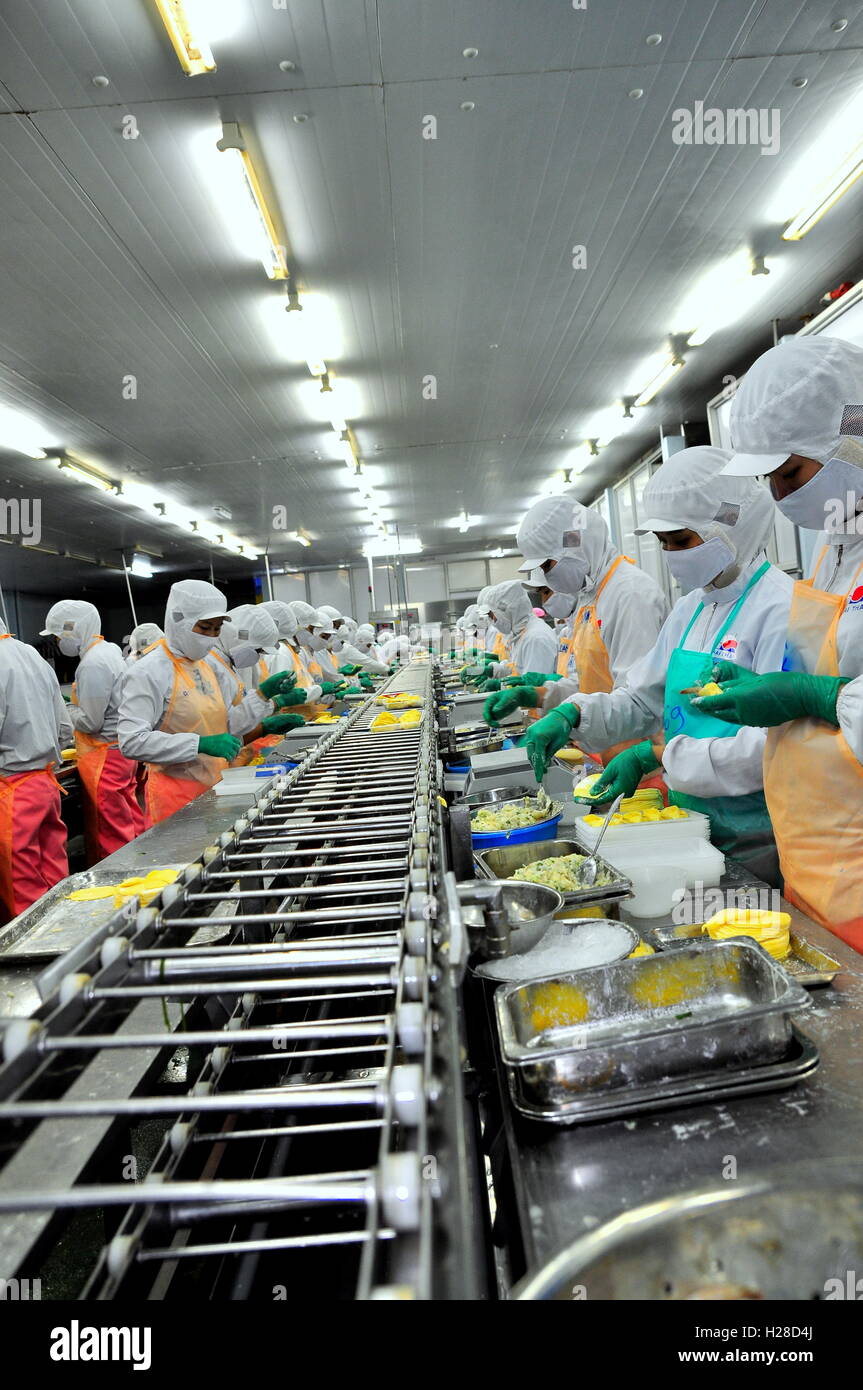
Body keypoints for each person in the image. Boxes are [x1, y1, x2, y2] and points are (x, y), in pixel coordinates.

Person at [522, 448, 794, 885]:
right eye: (663, 543)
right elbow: (641, 698)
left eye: (681, 540)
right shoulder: (690, 610)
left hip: (761, 833)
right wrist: (574, 713)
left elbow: (774, 747)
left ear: (729, 524)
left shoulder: (780, 609)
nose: (671, 554)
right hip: (692, 822)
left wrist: (661, 756)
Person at [696, 336, 863, 946]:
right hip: (816, 863)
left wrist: (815, 696)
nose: (779, 497)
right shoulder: (834, 541)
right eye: (770, 478)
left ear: (853, 433)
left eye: (790, 473)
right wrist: (773, 690)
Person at [483, 500, 669, 750]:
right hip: (601, 745)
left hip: (633, 755)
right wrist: (540, 695)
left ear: (574, 544)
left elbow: (641, 703)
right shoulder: (590, 596)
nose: (547, 578)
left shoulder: (629, 595)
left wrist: (572, 716)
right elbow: (584, 684)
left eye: (547, 565)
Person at [118, 580, 296, 823]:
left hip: (217, 785)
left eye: (217, 629)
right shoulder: (148, 671)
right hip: (176, 797)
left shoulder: (208, 666)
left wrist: (263, 697)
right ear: (177, 620)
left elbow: (228, 724)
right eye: (204, 628)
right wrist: (198, 744)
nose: (211, 637)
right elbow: (131, 741)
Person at [41, 600, 146, 863]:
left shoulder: (92, 664)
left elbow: (90, 722)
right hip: (118, 752)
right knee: (128, 820)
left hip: (105, 759)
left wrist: (66, 708)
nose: (57, 641)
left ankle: (118, 884)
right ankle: (140, 870)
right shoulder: (108, 651)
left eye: (57, 635)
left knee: (110, 830)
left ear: (72, 630)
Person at [0, 616, 72, 919]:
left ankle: (37, 962)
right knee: (56, 875)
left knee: (23, 887)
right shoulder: (31, 654)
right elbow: (65, 728)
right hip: (45, 782)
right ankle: (69, 939)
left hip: (11, 790)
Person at [207, 603, 307, 763]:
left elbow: (232, 719)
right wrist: (270, 701)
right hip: (206, 768)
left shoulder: (227, 662)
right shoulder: (212, 664)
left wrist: (267, 712)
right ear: (239, 636)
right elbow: (226, 726)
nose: (259, 657)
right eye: (258, 651)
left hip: (230, 758)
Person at [464, 580, 558, 688]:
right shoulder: (520, 634)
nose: (493, 621)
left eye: (493, 615)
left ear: (509, 610)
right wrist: (492, 670)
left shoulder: (535, 638)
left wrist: (501, 685)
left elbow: (533, 688)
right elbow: (516, 668)